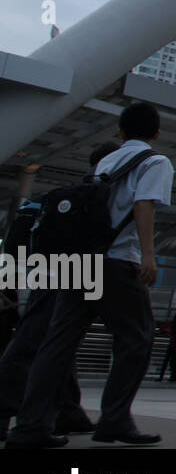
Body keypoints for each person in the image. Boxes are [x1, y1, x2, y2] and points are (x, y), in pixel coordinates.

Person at [6, 104, 171, 449]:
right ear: (156, 133)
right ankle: (114, 420)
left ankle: (30, 426)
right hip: (116, 262)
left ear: (120, 132)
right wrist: (149, 256)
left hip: (78, 264)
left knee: (57, 344)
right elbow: (144, 205)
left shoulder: (105, 162)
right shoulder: (156, 162)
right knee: (137, 339)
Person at [1, 156, 108, 443]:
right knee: (33, 341)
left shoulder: (61, 195)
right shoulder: (96, 195)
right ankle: (7, 412)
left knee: (57, 342)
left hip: (50, 272)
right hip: (74, 273)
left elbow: (16, 240)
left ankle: (68, 412)